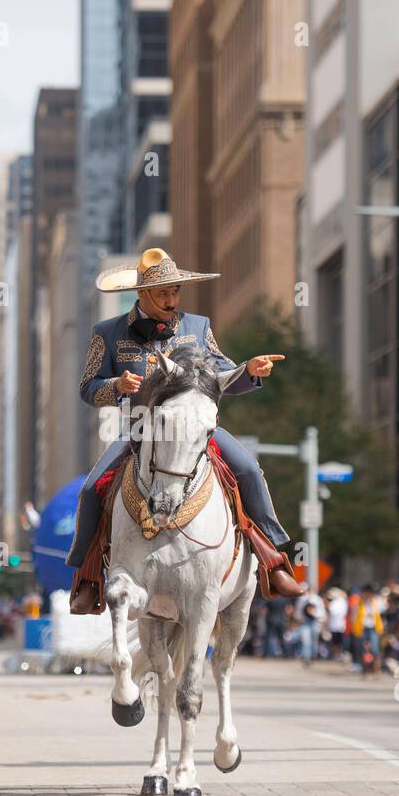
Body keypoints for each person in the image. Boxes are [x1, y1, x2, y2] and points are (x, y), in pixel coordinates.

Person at [66, 248, 306, 614]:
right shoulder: (107, 333)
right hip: (142, 426)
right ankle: (88, 579)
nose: (171, 299)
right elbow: (87, 387)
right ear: (142, 293)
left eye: (175, 291)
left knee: (248, 469)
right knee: (90, 490)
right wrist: (117, 386)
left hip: (195, 428)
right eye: (163, 292)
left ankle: (272, 559)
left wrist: (250, 370)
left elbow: (223, 375)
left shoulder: (199, 327)